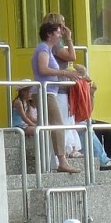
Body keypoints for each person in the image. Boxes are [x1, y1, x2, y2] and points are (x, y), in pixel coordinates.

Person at [32, 19, 84, 172]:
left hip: (48, 92)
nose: (60, 35)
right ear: (49, 34)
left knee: (52, 126)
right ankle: (62, 161)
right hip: (45, 92)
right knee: (57, 124)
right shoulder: (43, 48)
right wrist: (64, 72)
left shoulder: (47, 49)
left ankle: (54, 162)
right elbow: (43, 69)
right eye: (57, 32)